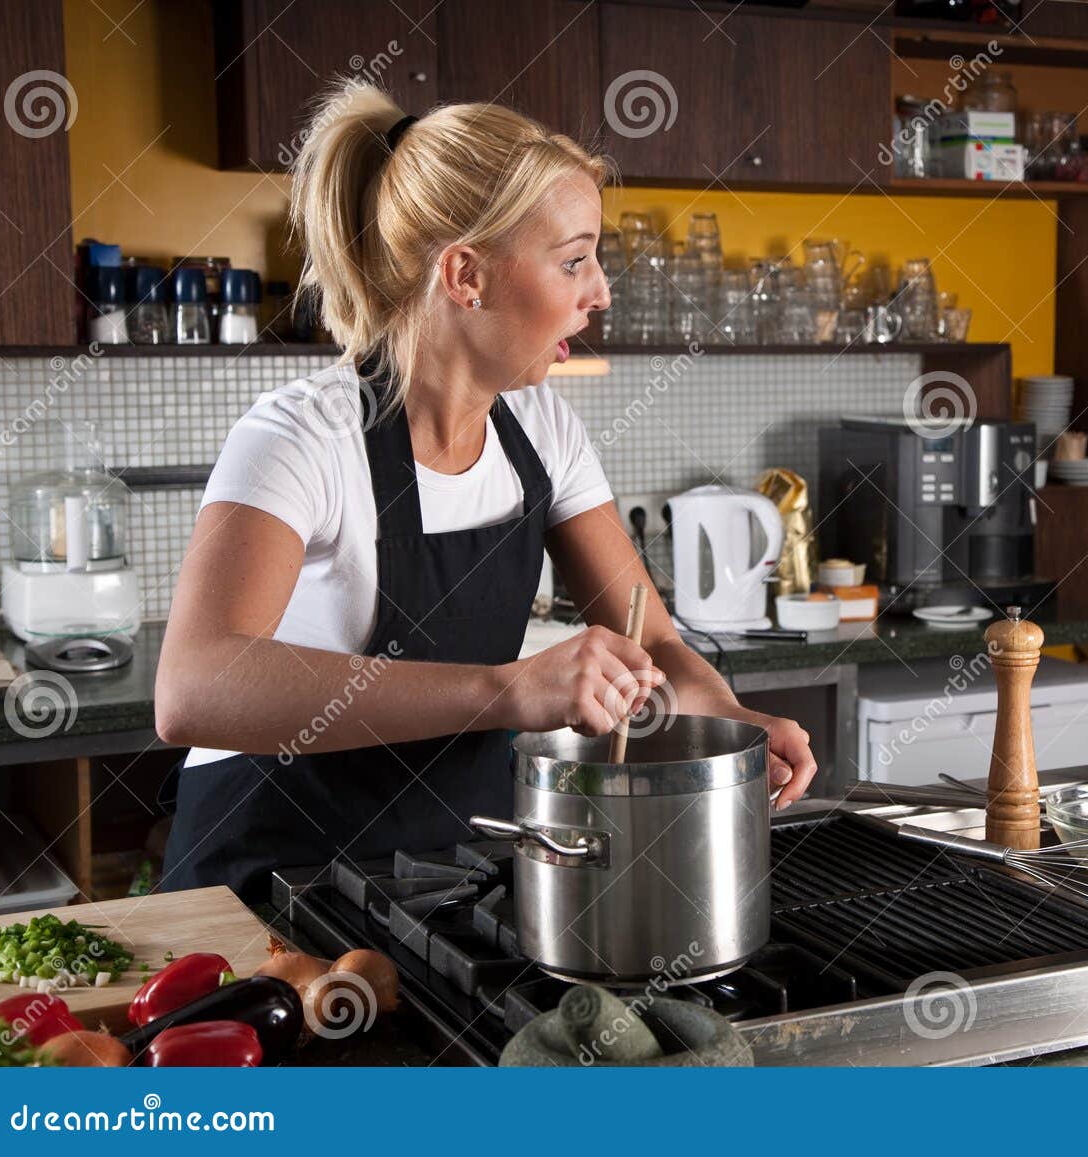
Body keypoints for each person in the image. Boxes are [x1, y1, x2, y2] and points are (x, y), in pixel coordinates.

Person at [154, 83, 817, 903]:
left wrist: (727, 723)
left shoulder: (542, 429)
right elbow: (194, 689)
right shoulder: (304, 435)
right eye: (573, 260)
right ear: (466, 274)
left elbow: (660, 647)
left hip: (445, 889)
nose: (599, 290)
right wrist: (508, 688)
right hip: (269, 886)